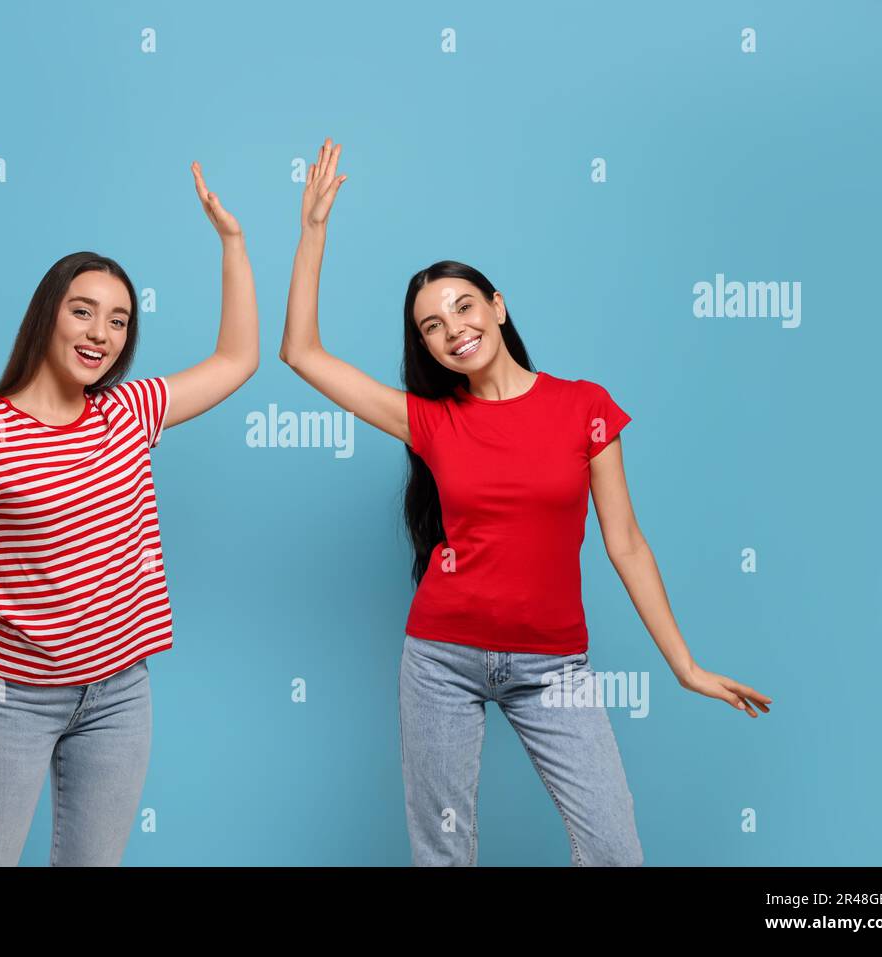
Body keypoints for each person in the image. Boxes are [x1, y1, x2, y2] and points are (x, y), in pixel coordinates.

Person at [279, 137, 773, 866]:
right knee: (444, 855)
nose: (454, 331)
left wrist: (684, 663)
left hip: (555, 665)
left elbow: (626, 541)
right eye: (432, 326)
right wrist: (313, 231)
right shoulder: (432, 419)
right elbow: (301, 352)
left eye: (464, 307)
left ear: (498, 306)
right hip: (441, 657)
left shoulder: (584, 408)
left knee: (614, 851)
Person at [0, 161, 259, 866]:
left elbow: (236, 359)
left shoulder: (129, 413)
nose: (100, 332)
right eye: (83, 310)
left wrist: (232, 242)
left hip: (119, 696)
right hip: (11, 699)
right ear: (48, 314)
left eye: (119, 320)